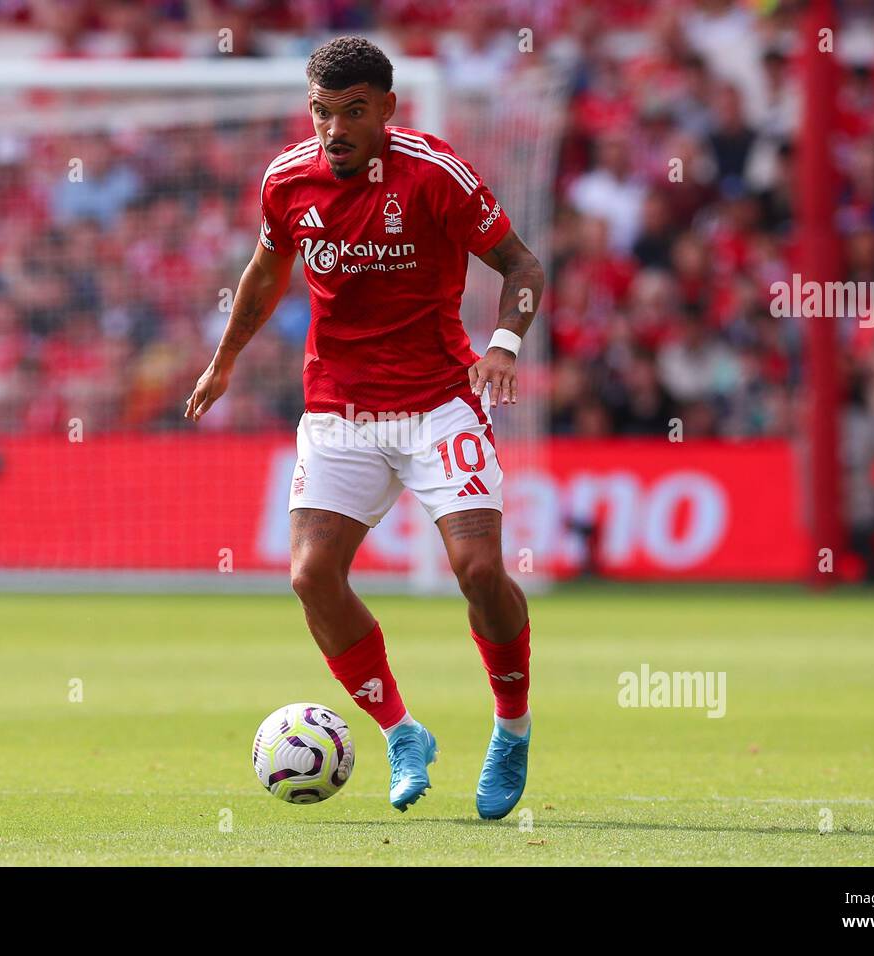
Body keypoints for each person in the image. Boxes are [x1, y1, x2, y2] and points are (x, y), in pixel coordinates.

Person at [185, 36, 544, 819]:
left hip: (438, 402)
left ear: (387, 107)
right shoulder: (287, 180)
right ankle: (401, 731)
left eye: (352, 112)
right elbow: (266, 270)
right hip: (339, 411)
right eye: (321, 112)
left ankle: (511, 729)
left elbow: (522, 266)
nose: (334, 129)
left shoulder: (435, 173)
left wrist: (503, 347)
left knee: (480, 571)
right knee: (312, 576)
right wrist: (225, 360)